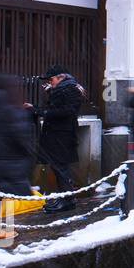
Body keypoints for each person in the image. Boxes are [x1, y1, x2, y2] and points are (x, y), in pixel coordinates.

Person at [34, 65, 86, 213]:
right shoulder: (63, 89)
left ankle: (67, 200)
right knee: (58, 167)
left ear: (61, 77)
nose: (50, 83)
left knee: (60, 167)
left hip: (61, 135)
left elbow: (67, 111)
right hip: (58, 134)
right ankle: (66, 198)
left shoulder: (69, 89)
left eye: (52, 80)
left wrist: (41, 111)